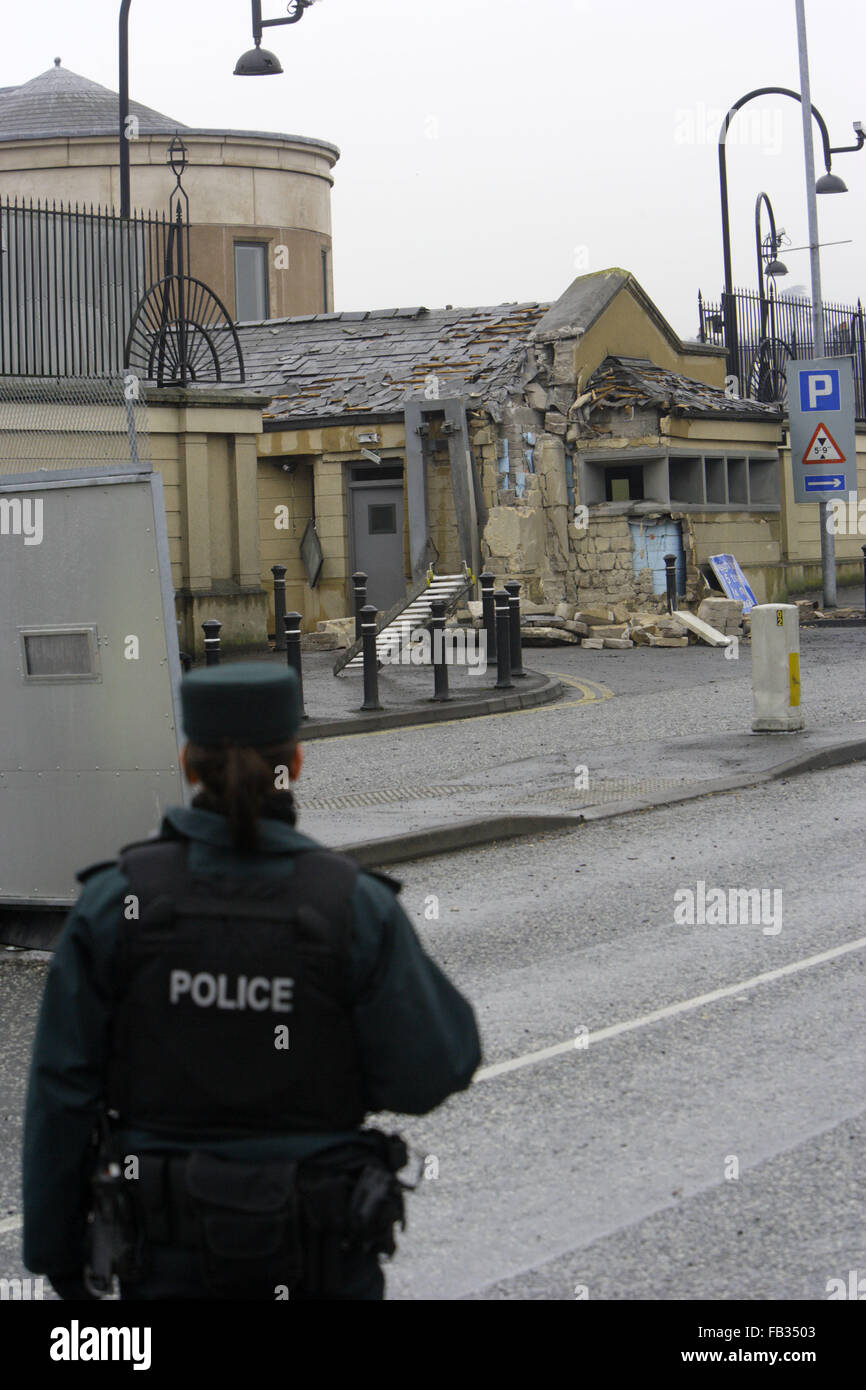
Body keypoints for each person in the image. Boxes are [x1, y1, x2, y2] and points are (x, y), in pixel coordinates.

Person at [22, 662, 481, 1301]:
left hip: (165, 1263)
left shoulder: (113, 905)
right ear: (292, 763)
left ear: (188, 764)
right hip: (320, 1261)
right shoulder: (351, 906)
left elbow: (60, 1094)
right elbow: (435, 1067)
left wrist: (58, 1257)